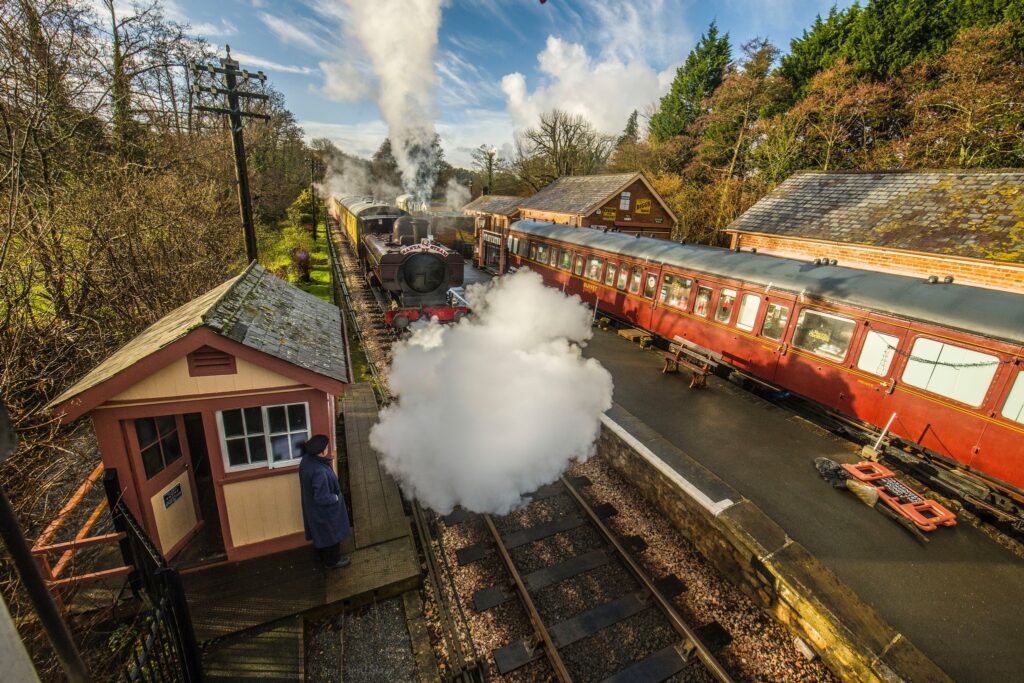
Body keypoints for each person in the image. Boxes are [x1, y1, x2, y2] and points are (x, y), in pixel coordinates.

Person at [299, 434, 352, 568]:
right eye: (326, 448)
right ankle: (332, 562)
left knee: (320, 533)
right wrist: (335, 497)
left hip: (311, 508)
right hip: (324, 511)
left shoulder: (306, 461)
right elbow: (322, 498)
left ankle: (320, 555)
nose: (328, 449)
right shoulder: (320, 472)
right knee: (331, 533)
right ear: (321, 452)